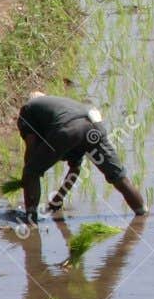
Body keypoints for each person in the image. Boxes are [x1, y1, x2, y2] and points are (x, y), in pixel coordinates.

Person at [17, 92, 147, 220]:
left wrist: (27, 176)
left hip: (69, 129)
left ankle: (30, 219)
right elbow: (75, 169)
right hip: (94, 127)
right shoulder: (61, 105)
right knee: (119, 177)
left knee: (31, 172)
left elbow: (31, 146)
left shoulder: (28, 108)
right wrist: (58, 199)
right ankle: (142, 213)